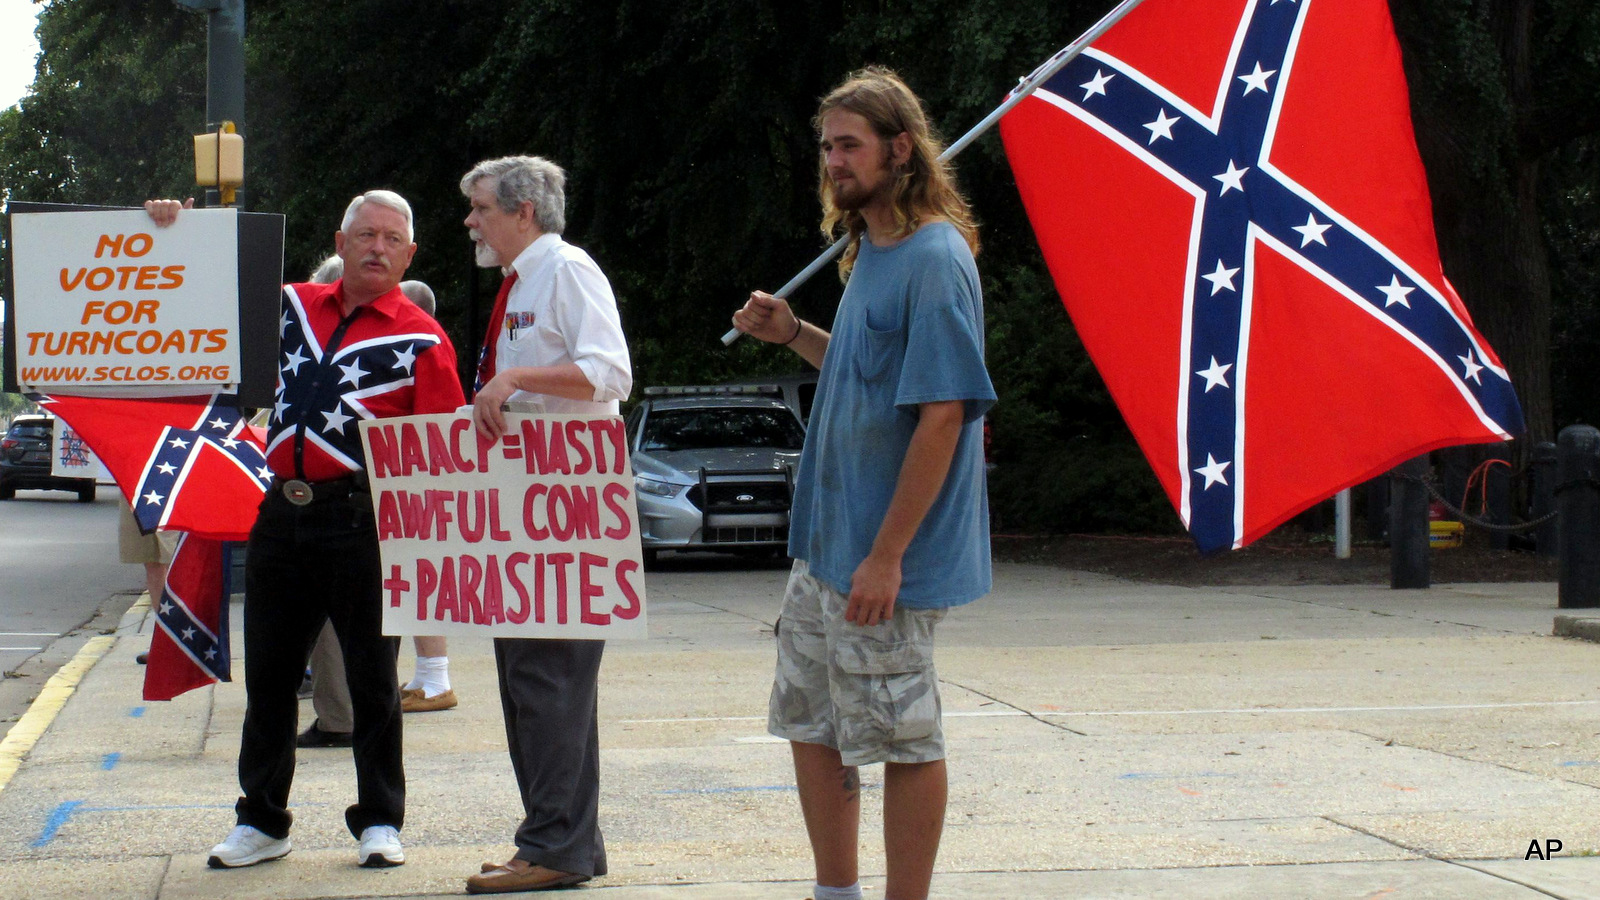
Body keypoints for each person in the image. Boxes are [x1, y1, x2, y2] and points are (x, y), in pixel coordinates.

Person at [730, 67, 995, 900]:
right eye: (826, 147)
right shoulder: (865, 251)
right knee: (812, 722)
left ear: (900, 149)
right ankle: (833, 892)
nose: (834, 162)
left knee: (903, 735)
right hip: (824, 546)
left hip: (886, 558)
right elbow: (868, 373)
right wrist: (796, 333)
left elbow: (943, 416)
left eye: (849, 145)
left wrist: (888, 557)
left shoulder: (935, 259)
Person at [145, 191, 467, 871]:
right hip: (278, 516)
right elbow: (193, 295)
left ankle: (380, 819)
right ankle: (262, 820)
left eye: (392, 238)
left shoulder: (422, 338)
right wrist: (172, 230)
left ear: (409, 254)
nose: (378, 247)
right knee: (267, 679)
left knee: (373, 682)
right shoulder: (287, 307)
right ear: (341, 241)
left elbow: (444, 451)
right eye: (366, 234)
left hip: (363, 521)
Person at [459, 155, 631, 894]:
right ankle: (564, 840)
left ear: (523, 211)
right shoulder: (522, 285)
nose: (471, 221)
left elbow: (610, 375)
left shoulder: (566, 271)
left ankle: (553, 847)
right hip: (527, 509)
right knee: (532, 680)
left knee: (547, 681)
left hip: (566, 512)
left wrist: (517, 377)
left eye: (481, 208)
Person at [293, 262, 457, 751]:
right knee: (377, 636)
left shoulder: (419, 340)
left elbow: (440, 437)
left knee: (365, 646)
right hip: (347, 509)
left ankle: (377, 795)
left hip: (366, 511)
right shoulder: (299, 328)